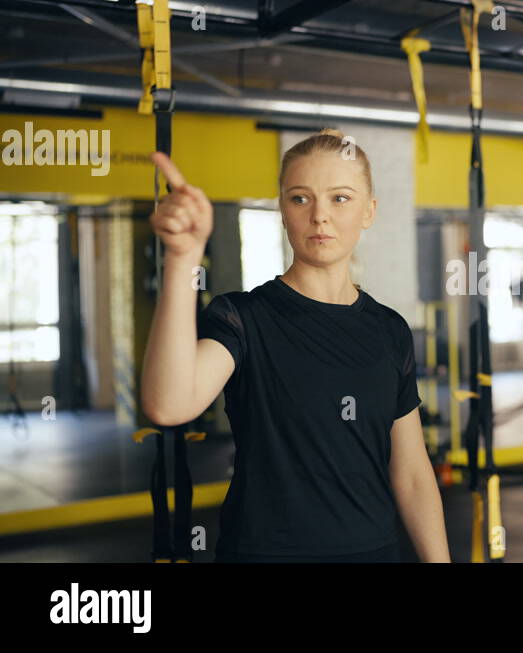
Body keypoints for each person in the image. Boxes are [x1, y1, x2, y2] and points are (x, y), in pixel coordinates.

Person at [140, 129, 450, 563]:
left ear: (369, 211)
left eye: (340, 198)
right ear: (282, 211)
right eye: (300, 198)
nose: (320, 215)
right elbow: (169, 406)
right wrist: (182, 259)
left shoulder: (389, 330)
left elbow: (414, 475)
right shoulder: (243, 318)